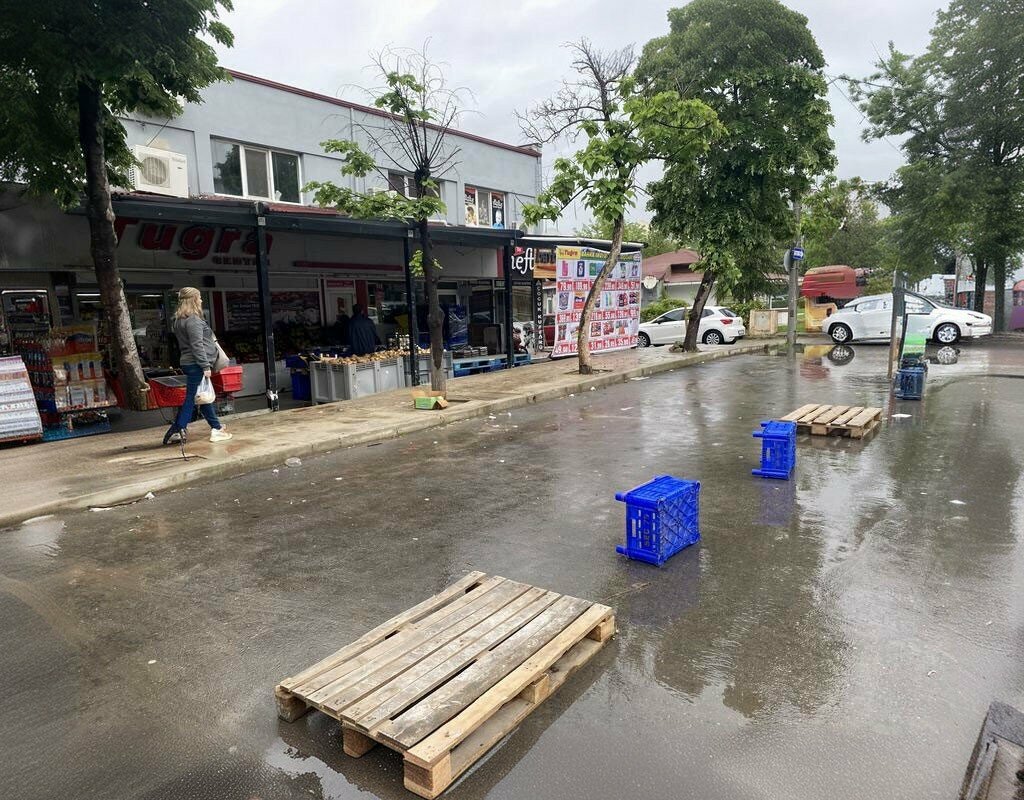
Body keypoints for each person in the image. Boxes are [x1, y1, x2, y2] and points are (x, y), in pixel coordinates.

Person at [163, 287, 232, 445]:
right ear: (193, 300)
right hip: (196, 363)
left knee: (203, 396)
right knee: (191, 399)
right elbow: (197, 345)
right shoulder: (193, 320)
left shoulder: (179, 320)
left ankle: (216, 428)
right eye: (199, 298)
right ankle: (178, 428)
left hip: (189, 362)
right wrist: (205, 366)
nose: (201, 300)